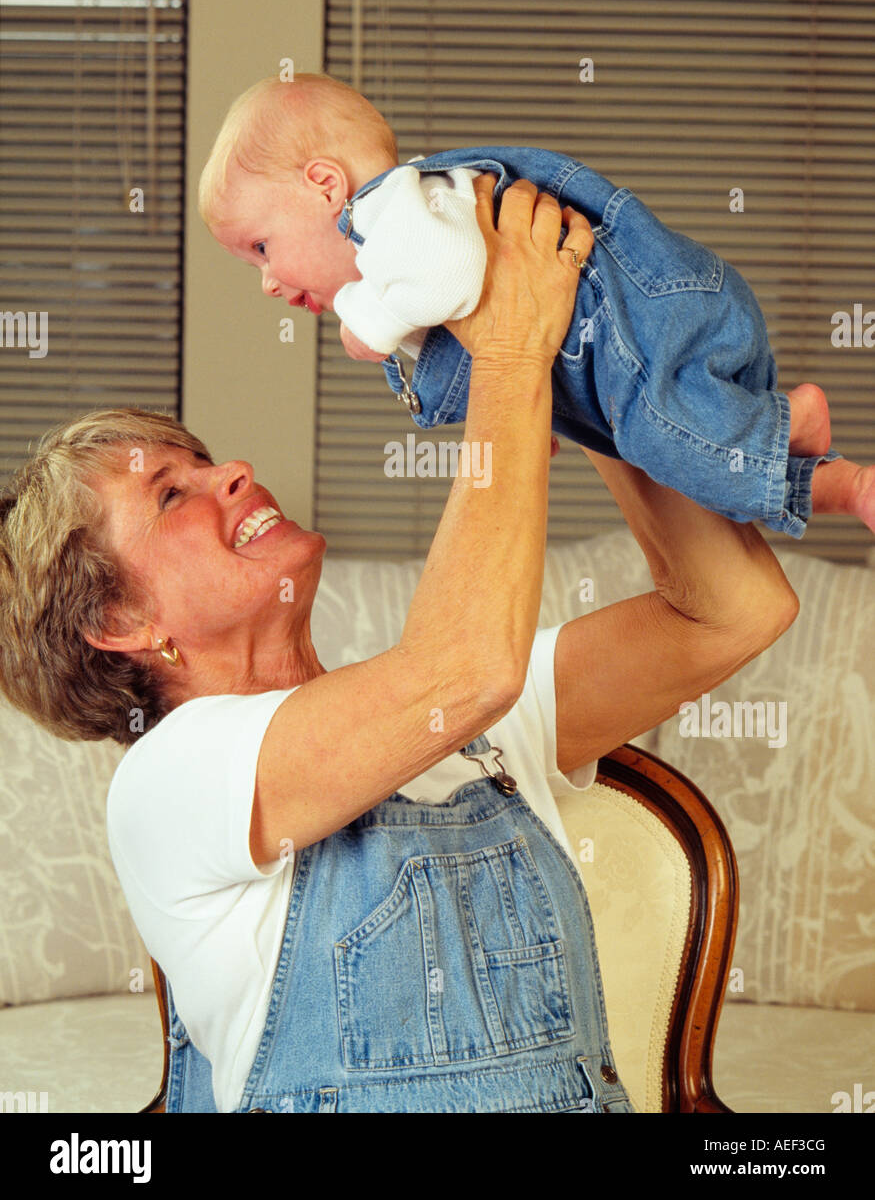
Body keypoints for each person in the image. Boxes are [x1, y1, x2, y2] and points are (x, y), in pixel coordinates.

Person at [0, 179, 799, 1114]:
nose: (233, 473)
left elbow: (733, 609)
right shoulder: (168, 783)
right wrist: (508, 358)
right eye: (171, 495)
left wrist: (589, 364)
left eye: (205, 458)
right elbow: (460, 672)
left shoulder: (476, 732)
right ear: (120, 626)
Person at [198, 72, 874, 540]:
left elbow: (452, 275)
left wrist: (370, 323)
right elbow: (504, 341)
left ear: (323, 186)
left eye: (260, 246)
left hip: (647, 318)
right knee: (697, 478)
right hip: (619, 355)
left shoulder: (392, 210)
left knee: (670, 445)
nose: (266, 281)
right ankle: (828, 475)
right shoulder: (396, 241)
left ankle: (794, 431)